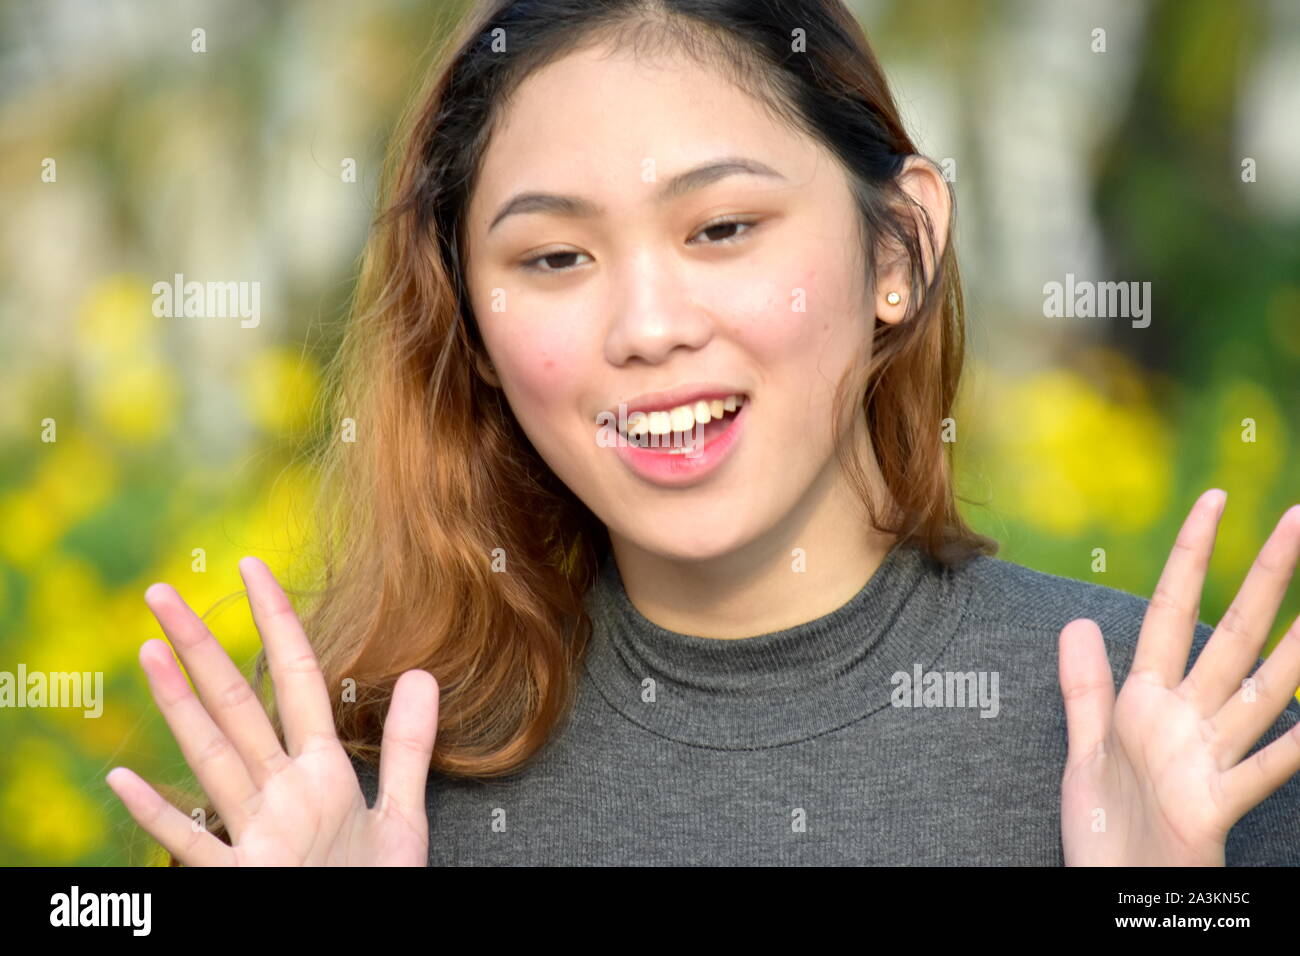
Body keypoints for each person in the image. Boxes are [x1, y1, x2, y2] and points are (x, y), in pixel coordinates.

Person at [106, 0, 1300, 866]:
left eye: (722, 227)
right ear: (470, 319)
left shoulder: (1197, 739)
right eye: (556, 257)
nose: (647, 324)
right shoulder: (357, 797)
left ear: (899, 247)